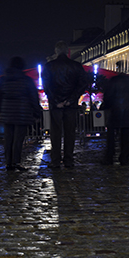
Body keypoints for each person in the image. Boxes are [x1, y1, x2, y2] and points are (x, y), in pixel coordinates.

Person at [44, 40, 89, 168]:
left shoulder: (49, 66)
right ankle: (68, 159)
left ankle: (56, 160)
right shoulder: (76, 66)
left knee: (56, 133)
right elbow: (82, 84)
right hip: (71, 104)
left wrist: (56, 101)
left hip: (56, 105)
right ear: (67, 51)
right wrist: (71, 99)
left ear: (56, 51)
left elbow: (47, 86)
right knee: (70, 132)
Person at [0, 56, 42, 171]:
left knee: (8, 139)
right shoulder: (26, 80)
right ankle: (16, 161)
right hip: (22, 112)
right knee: (18, 139)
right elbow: (33, 97)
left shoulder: (4, 79)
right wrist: (36, 112)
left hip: (7, 111)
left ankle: (8, 162)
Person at [101, 74, 129, 166]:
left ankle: (109, 158)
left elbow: (107, 98)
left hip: (114, 113)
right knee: (127, 139)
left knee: (111, 138)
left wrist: (108, 107)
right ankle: (124, 159)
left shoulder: (112, 82)